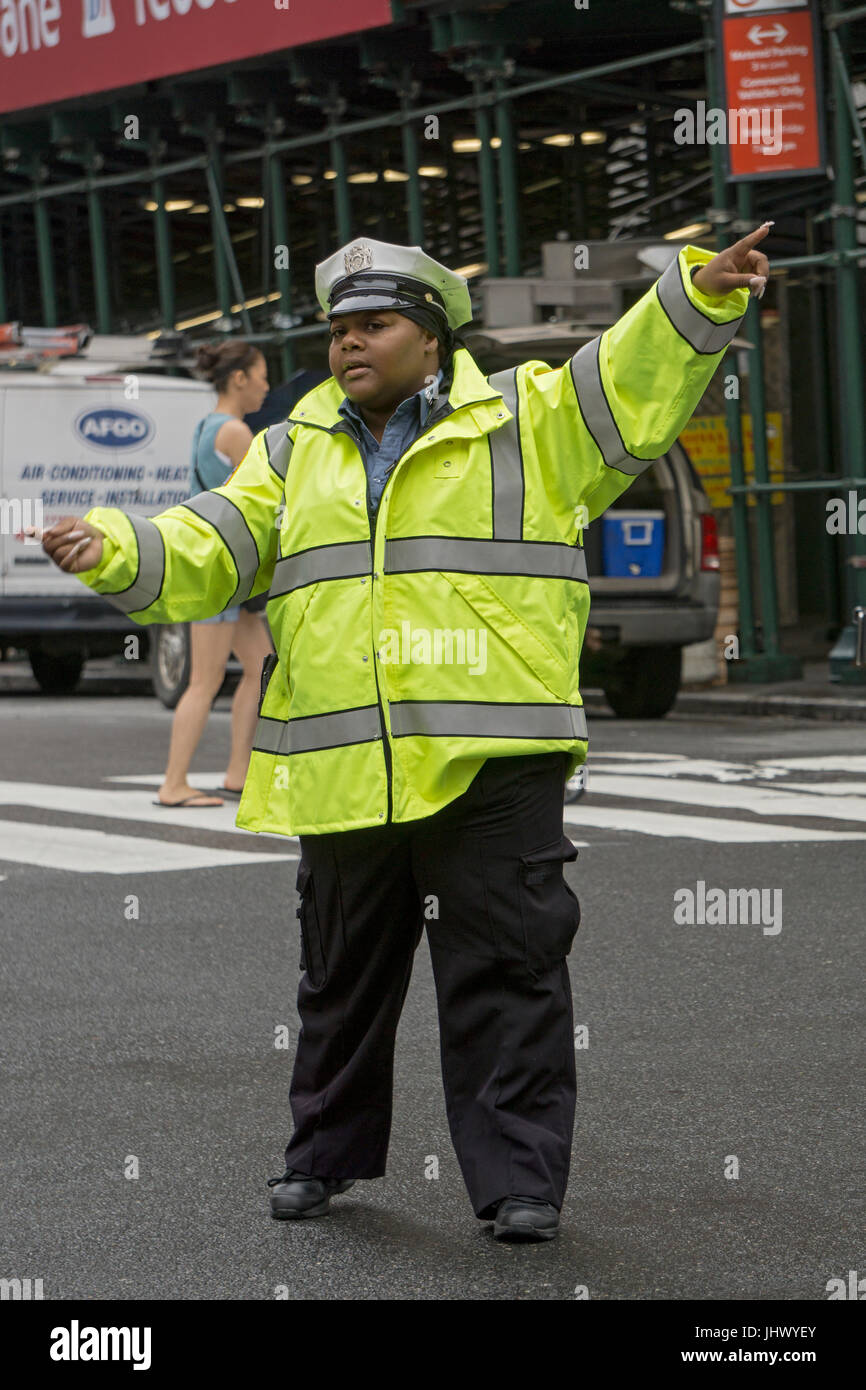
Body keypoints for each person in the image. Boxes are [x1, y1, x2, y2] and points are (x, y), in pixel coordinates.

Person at [27, 226, 771, 1241]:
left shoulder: (531, 419)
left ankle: (518, 1184)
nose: (348, 344)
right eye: (339, 330)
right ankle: (321, 1156)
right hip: (346, 766)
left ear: (432, 340)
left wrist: (702, 294)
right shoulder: (291, 451)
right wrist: (112, 545)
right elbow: (209, 542)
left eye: (374, 325)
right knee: (339, 980)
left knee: (507, 973)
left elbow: (631, 373)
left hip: (490, 758)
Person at [155, 341, 274, 808]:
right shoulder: (236, 432)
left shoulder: (207, 427)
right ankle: (173, 784)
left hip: (219, 572)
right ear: (239, 378)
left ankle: (238, 772)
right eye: (262, 375)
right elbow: (261, 503)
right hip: (218, 574)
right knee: (204, 681)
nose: (267, 385)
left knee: (260, 666)